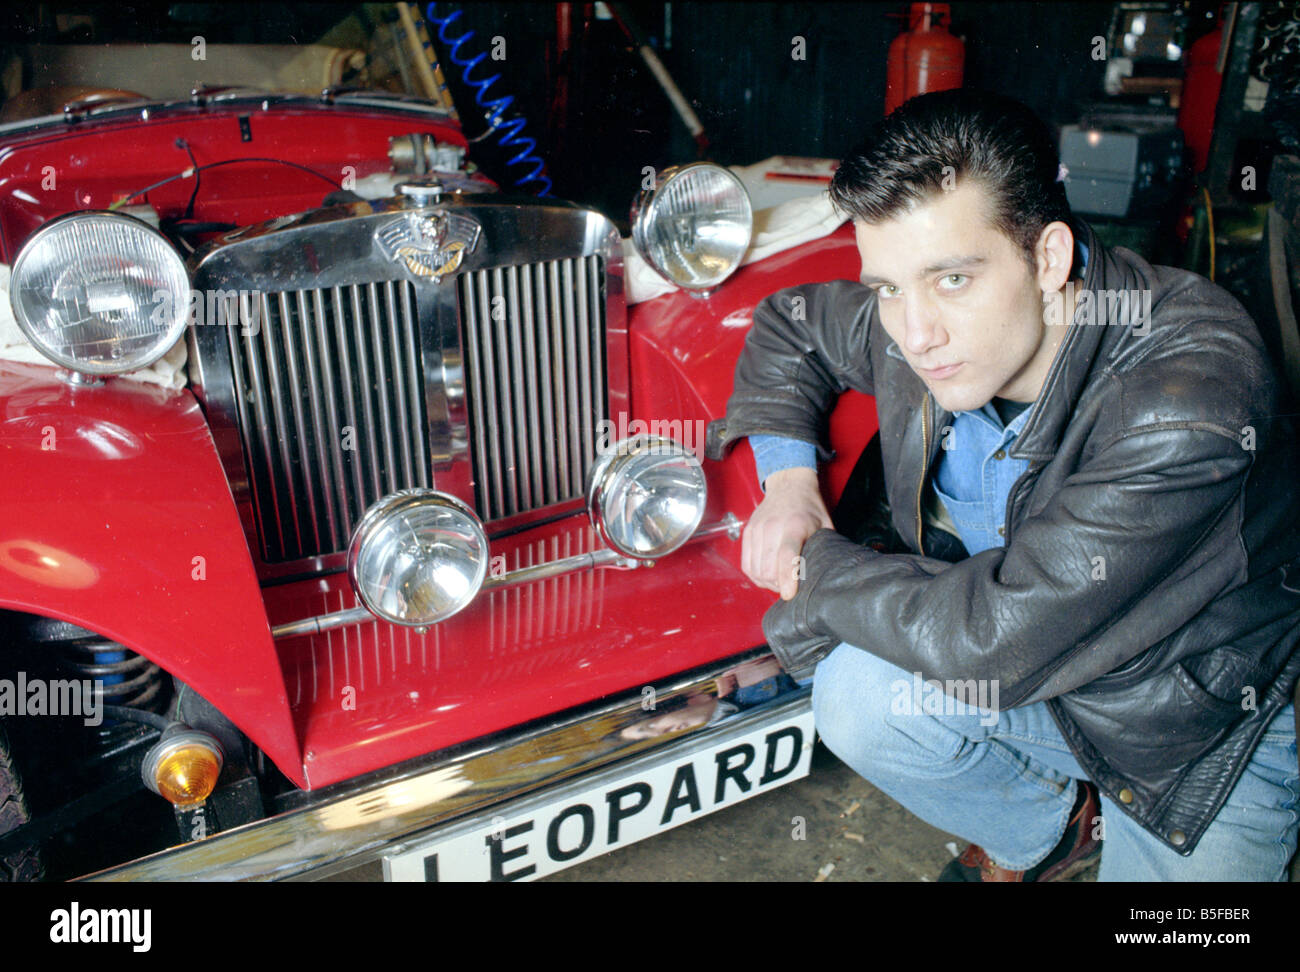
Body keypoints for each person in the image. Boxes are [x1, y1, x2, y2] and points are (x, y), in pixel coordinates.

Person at [721, 88, 1300, 882]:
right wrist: (788, 484)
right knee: (857, 697)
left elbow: (991, 639)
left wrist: (813, 569)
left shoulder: (1186, 398)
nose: (916, 334)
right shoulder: (919, 328)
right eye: (888, 286)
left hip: (1195, 729)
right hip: (1037, 662)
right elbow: (789, 324)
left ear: (1049, 258)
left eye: (952, 279)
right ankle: (1056, 835)